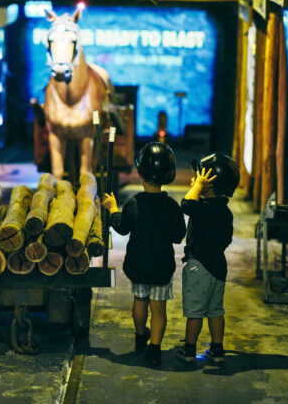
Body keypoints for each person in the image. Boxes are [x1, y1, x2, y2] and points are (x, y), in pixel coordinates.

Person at [102, 142, 186, 367]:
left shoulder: (133, 204)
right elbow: (179, 235)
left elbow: (121, 227)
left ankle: (140, 336)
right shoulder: (171, 206)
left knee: (140, 300)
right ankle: (155, 350)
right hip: (161, 266)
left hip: (138, 264)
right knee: (158, 307)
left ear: (139, 173)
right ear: (169, 174)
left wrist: (112, 209)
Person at [176, 153, 238, 364]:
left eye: (200, 177)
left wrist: (197, 187)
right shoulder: (224, 210)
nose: (194, 180)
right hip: (218, 266)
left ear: (209, 185)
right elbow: (226, 240)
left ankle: (190, 349)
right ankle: (217, 349)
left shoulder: (203, 209)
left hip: (199, 266)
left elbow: (186, 205)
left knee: (195, 312)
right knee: (215, 311)